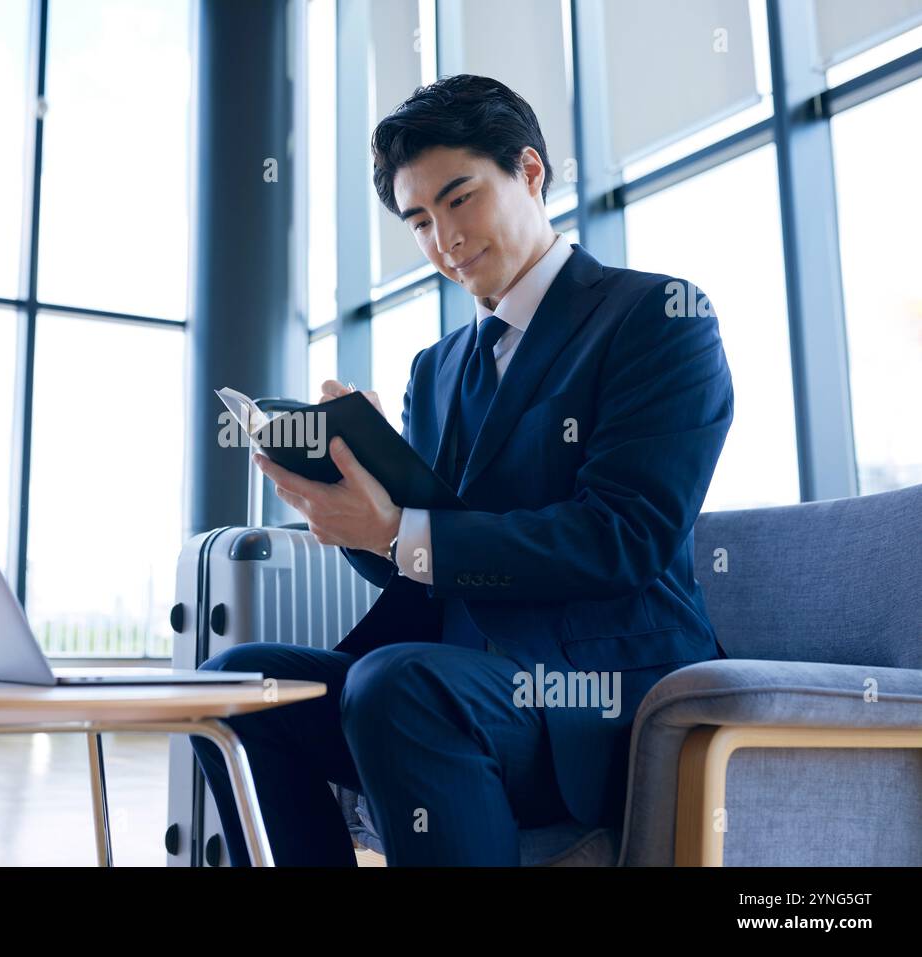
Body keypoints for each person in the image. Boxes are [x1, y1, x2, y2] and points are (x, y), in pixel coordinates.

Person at [191, 73, 733, 866]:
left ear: (531, 172)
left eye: (460, 198)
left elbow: (625, 536)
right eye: (418, 220)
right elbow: (427, 560)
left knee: (397, 683)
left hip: (598, 695)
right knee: (237, 682)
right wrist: (360, 511)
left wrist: (402, 531)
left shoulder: (656, 319)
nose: (443, 238)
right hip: (452, 678)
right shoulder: (436, 368)